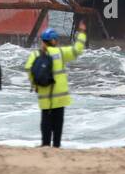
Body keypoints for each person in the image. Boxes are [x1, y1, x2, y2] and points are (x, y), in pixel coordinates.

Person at [24, 20, 88, 148]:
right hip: (60, 97)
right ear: (53, 41)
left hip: (44, 96)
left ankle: (45, 144)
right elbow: (77, 50)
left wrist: (35, 85)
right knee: (57, 124)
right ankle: (56, 146)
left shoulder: (36, 54)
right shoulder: (60, 53)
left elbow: (28, 69)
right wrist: (81, 33)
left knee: (45, 122)